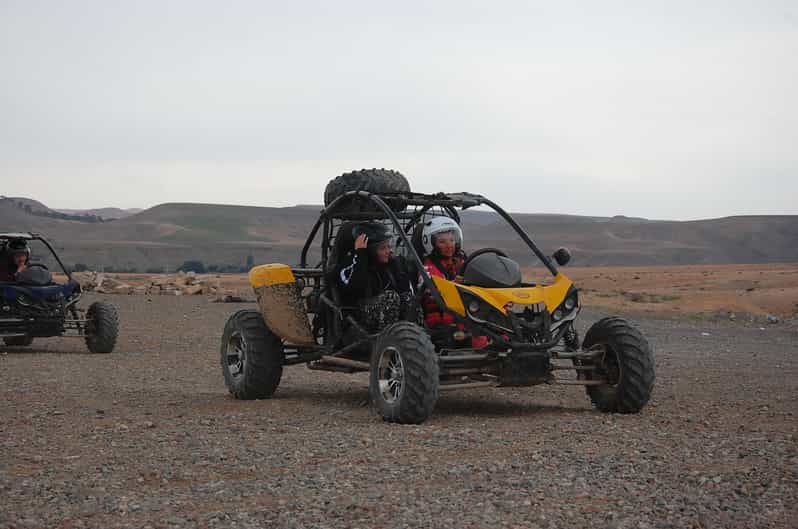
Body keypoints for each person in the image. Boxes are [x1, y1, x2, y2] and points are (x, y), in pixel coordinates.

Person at [420, 217, 488, 348]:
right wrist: (452, 285)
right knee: (476, 333)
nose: (449, 245)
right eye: (442, 242)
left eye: (451, 240)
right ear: (432, 244)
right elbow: (430, 291)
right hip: (442, 318)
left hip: (467, 314)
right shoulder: (427, 268)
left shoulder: (461, 262)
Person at [335, 222, 416, 332]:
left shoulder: (390, 265)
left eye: (388, 246)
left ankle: (415, 334)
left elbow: (404, 290)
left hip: (386, 311)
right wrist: (361, 254)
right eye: (383, 248)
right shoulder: (347, 266)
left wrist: (400, 269)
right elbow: (355, 286)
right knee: (390, 297)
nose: (388, 251)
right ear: (370, 250)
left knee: (409, 298)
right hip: (359, 313)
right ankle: (388, 340)